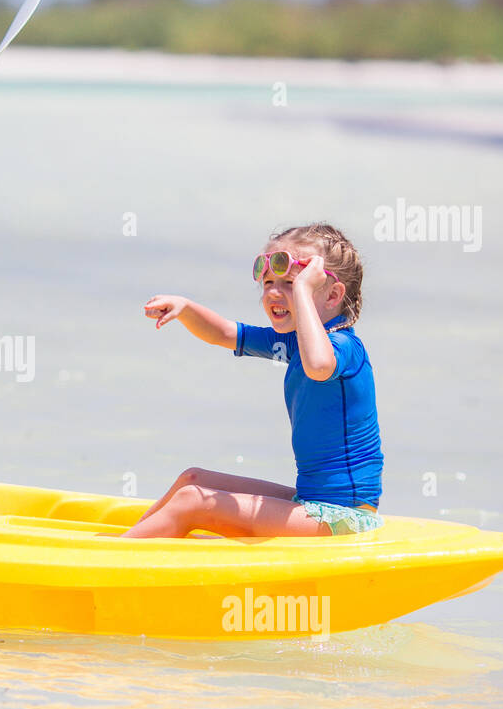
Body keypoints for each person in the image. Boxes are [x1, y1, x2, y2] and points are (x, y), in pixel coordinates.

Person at [123, 223, 382, 538]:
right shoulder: (295, 343)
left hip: (344, 517)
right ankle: (129, 544)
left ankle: (106, 564)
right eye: (269, 281)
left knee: (193, 502)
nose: (273, 291)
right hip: (311, 503)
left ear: (332, 295)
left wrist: (301, 291)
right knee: (193, 480)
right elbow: (225, 333)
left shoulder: (344, 347)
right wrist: (186, 308)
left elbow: (318, 365)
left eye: (290, 282)